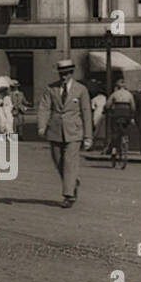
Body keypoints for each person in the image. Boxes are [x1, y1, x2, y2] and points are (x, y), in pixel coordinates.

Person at [37, 58, 93, 208]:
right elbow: (44, 108)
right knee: (59, 162)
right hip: (55, 130)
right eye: (61, 74)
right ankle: (73, 181)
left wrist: (88, 136)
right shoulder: (51, 89)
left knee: (69, 161)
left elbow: (86, 113)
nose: (63, 77)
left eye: (67, 73)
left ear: (71, 73)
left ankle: (69, 195)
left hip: (74, 132)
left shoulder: (81, 89)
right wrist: (42, 126)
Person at [104, 82, 136, 158]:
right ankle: (125, 139)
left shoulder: (115, 94)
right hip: (126, 113)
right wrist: (132, 115)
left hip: (116, 113)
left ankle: (114, 148)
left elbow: (108, 105)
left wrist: (106, 110)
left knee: (115, 130)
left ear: (117, 87)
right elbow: (133, 106)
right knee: (124, 128)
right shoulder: (129, 94)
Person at [89, 86, 108, 151]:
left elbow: (92, 107)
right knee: (102, 129)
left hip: (96, 113)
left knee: (96, 128)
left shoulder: (94, 99)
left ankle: (94, 144)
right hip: (103, 114)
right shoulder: (105, 98)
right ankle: (101, 144)